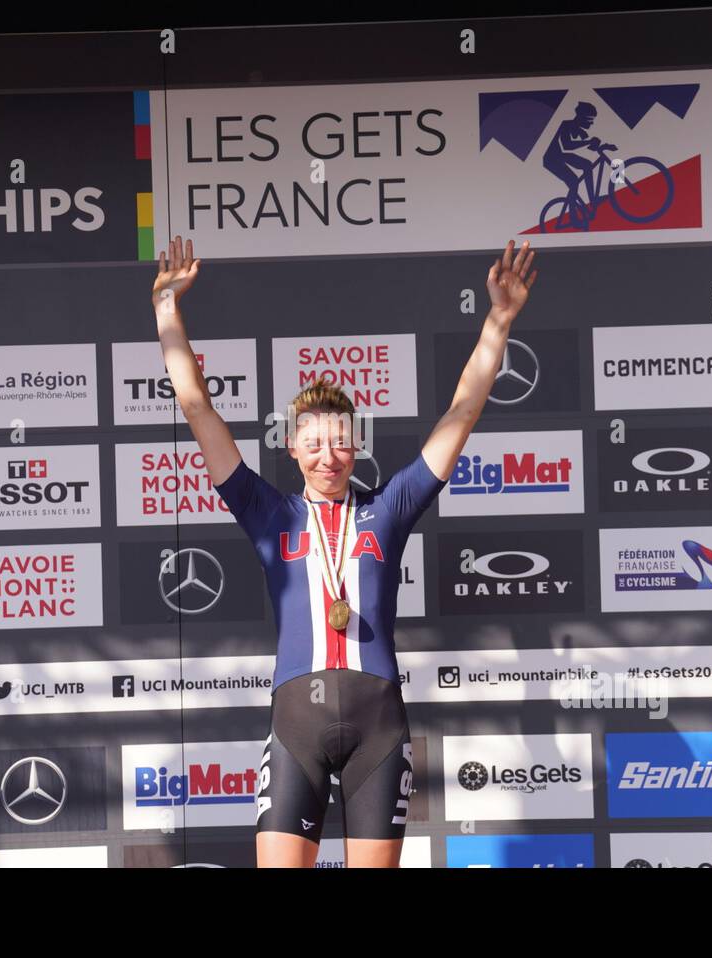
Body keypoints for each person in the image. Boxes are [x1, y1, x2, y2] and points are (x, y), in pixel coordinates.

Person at [152, 234, 538, 867]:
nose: (328, 455)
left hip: (377, 728)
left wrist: (498, 320)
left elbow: (462, 411)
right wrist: (168, 312)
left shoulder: (388, 509)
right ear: (293, 450)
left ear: (354, 447)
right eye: (314, 443)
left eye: (340, 442)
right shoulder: (267, 512)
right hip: (294, 728)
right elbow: (197, 409)